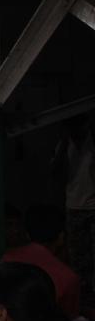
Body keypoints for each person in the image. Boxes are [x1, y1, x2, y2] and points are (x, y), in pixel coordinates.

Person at [3, 204, 81, 319]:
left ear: (26, 233)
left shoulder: (3, 262)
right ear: (61, 237)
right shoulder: (68, 279)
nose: (14, 231)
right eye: (9, 225)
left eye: (16, 225)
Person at [53, 115, 95, 300]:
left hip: (92, 206)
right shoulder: (65, 145)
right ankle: (83, 293)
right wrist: (63, 143)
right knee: (78, 255)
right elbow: (56, 172)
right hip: (74, 206)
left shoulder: (91, 143)